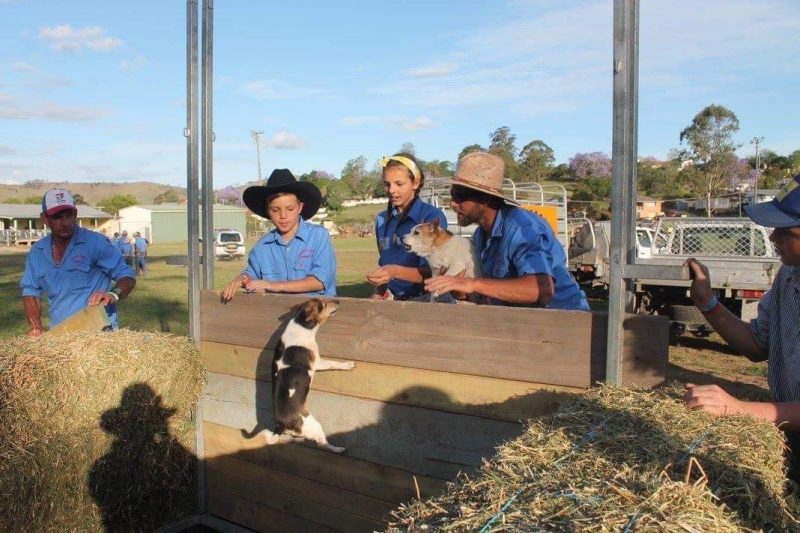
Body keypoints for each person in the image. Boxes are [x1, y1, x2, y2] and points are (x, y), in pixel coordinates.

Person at [683, 174, 800, 480]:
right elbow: (756, 345)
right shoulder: (788, 276)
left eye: (785, 231)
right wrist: (707, 302)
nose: (773, 238)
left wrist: (736, 408)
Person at [424, 151, 589, 310]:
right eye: (452, 194)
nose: (452, 203)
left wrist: (472, 284)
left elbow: (542, 290)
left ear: (484, 198)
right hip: (523, 323)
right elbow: (493, 292)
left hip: (564, 321)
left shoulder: (523, 228)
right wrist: (461, 291)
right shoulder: (480, 236)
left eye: (459, 195)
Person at [20, 188, 136, 335]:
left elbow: (127, 275)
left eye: (69, 215)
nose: (65, 222)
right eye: (57, 217)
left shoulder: (96, 243)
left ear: (76, 214)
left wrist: (113, 294)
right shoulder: (37, 251)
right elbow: (30, 291)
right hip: (60, 336)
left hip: (99, 335)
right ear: (44, 219)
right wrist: (35, 327)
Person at [221, 169, 336, 301]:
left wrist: (275, 286)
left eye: (290, 209)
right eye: (275, 210)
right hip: (277, 316)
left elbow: (320, 281)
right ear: (268, 211)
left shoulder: (318, 236)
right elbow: (251, 273)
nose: (283, 216)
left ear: (300, 207)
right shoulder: (262, 247)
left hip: (317, 315)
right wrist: (240, 280)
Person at [365, 153, 448, 300]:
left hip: (427, 302)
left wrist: (395, 272)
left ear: (415, 183)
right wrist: (378, 292)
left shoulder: (431, 218)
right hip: (395, 303)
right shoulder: (382, 220)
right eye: (387, 184)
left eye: (399, 184)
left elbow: (434, 272)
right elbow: (386, 267)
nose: (391, 190)